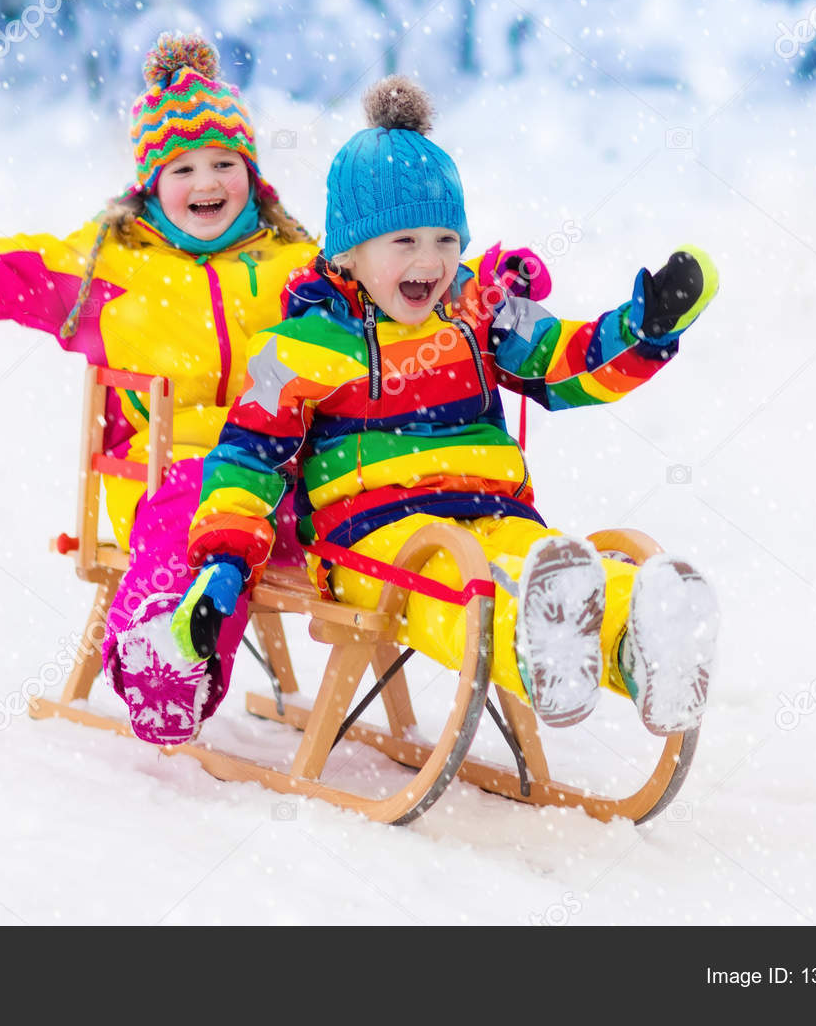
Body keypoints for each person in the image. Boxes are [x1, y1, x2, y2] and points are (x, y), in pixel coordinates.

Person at [0, 36, 544, 745]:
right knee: (194, 506)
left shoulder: (298, 262)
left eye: (224, 163)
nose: (207, 183)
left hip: (301, 478)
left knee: (385, 501)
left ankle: (518, 616)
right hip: (182, 480)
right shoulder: (110, 270)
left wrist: (498, 286)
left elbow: (406, 283)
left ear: (253, 175)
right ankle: (166, 655)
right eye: (183, 168)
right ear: (150, 183)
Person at [169, 75, 722, 740]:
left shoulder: (478, 312)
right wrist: (224, 563)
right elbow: (245, 459)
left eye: (445, 240)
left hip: (494, 510)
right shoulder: (297, 348)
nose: (430, 261)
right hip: (372, 534)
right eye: (404, 242)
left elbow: (562, 363)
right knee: (457, 583)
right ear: (350, 251)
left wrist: (641, 328)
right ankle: (531, 644)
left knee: (541, 558)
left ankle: (643, 634)